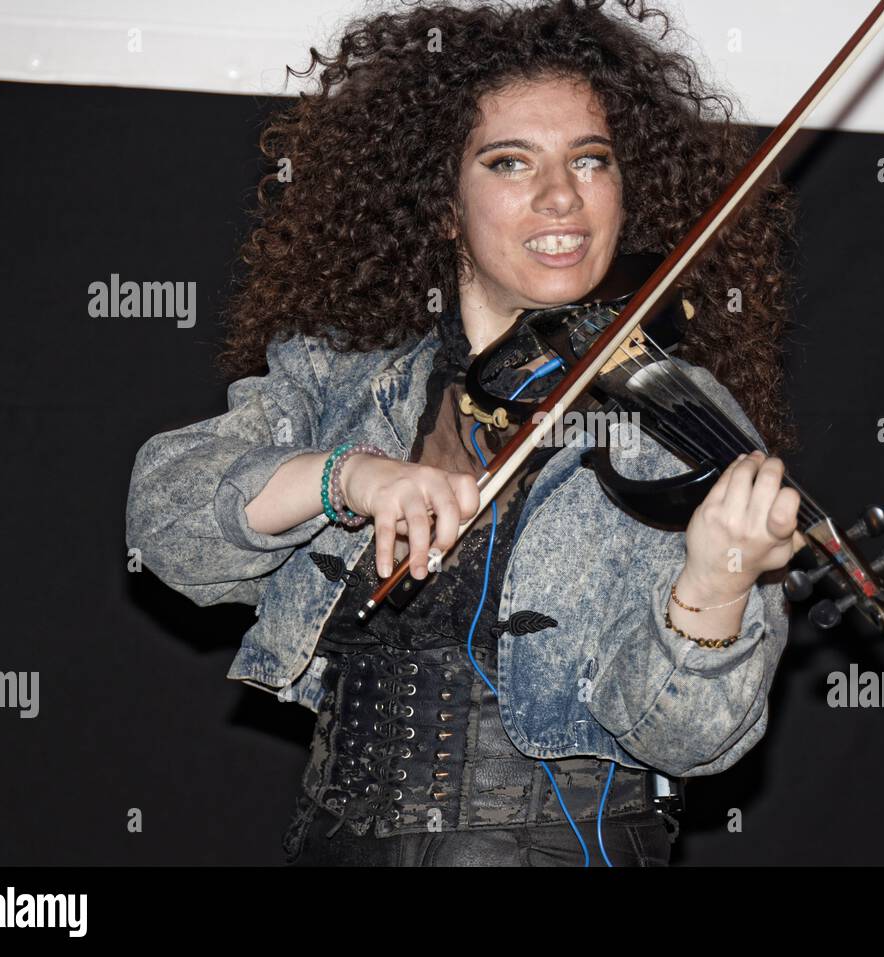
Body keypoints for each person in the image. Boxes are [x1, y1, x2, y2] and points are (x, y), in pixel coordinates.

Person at [125, 0, 801, 867]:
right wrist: (348, 476)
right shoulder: (345, 380)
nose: (562, 196)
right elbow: (165, 519)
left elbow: (687, 741)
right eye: (511, 162)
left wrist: (716, 585)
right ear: (444, 205)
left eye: (590, 161)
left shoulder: (677, 417)